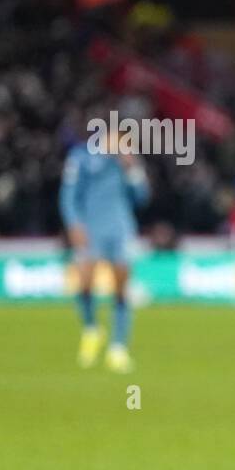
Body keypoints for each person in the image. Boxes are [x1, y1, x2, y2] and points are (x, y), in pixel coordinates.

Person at [59, 126, 149, 372]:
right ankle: (91, 328)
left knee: (121, 289)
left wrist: (133, 171)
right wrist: (74, 223)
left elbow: (142, 198)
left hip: (120, 230)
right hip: (90, 229)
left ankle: (118, 347)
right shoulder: (81, 157)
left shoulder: (126, 161)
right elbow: (68, 196)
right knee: (85, 282)